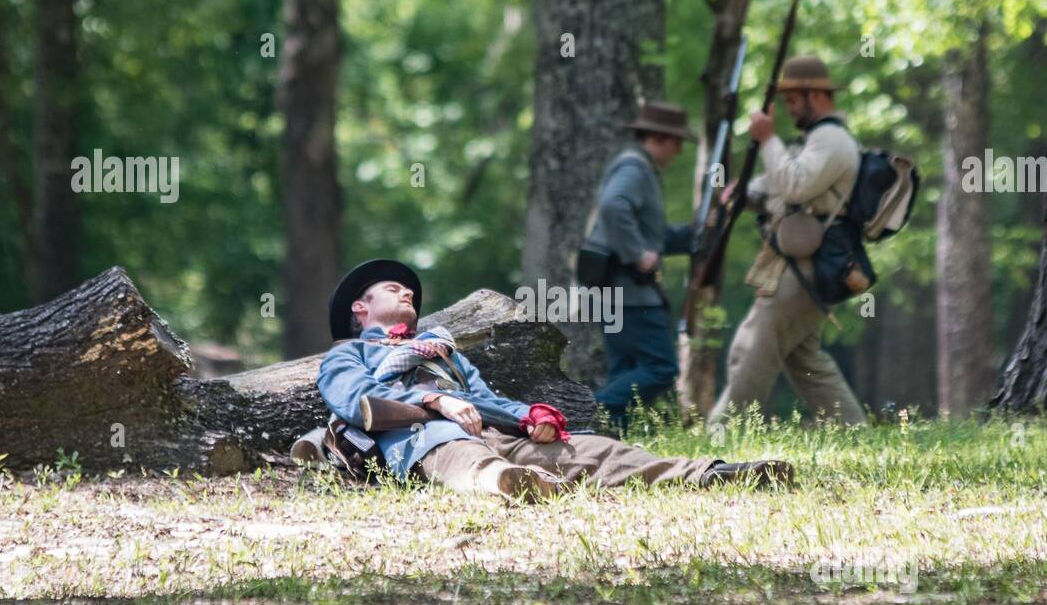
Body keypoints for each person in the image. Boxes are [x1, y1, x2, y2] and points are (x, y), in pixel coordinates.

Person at [315, 259, 793, 501]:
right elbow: (358, 400)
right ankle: (511, 484)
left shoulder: (444, 351)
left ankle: (708, 474)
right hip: (427, 439)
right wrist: (437, 400)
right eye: (392, 288)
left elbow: (482, 397)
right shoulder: (348, 354)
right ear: (361, 308)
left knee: (593, 450)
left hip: (492, 428)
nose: (406, 292)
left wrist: (527, 415)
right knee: (468, 460)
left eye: (410, 290)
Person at [709, 56, 868, 428]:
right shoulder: (816, 140)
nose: (788, 109)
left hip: (804, 268)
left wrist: (766, 139)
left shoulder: (832, 139)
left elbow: (796, 183)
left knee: (751, 349)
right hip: (800, 264)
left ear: (815, 95)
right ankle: (852, 429)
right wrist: (744, 194)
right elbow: (780, 184)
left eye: (793, 100)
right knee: (805, 359)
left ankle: (720, 435)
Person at [581, 100, 697, 426]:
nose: (677, 151)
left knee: (626, 369)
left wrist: (700, 231)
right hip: (630, 293)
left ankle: (609, 437)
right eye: (676, 143)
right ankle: (589, 412)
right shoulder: (636, 168)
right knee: (661, 367)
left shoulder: (637, 168)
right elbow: (613, 206)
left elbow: (656, 236)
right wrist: (637, 254)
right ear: (661, 138)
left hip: (616, 293)